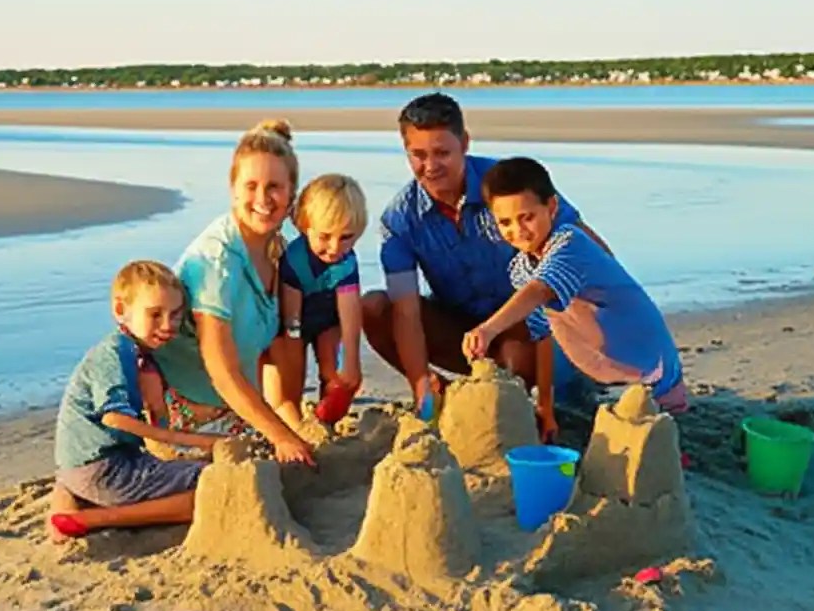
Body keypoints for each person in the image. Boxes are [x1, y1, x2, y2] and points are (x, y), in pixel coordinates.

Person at [362, 91, 612, 414]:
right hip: (463, 333)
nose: (430, 166)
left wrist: (613, 322)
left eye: (442, 153)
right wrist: (421, 383)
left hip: (529, 325)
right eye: (418, 155)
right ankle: (445, 393)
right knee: (374, 308)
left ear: (464, 143)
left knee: (517, 356)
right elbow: (407, 313)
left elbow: (587, 248)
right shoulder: (399, 219)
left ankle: (548, 388)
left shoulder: (512, 185)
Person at [462, 157, 689, 416]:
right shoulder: (521, 269)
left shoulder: (571, 244)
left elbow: (540, 289)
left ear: (552, 207)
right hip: (600, 379)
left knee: (639, 437)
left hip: (653, 379)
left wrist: (487, 329)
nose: (518, 231)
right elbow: (544, 337)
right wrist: (545, 403)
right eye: (505, 223)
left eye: (527, 217)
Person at [151, 119, 316, 465]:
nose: (263, 199)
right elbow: (222, 371)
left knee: (296, 324)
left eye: (274, 187)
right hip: (185, 415)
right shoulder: (217, 260)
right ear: (233, 189)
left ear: (291, 194)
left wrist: (289, 419)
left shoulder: (278, 250)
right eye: (251, 185)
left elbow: (281, 346)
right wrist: (283, 437)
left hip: (237, 409)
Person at [47, 260, 222, 542]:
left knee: (183, 467)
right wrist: (196, 441)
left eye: (176, 315)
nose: (168, 325)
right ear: (120, 310)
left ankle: (72, 497)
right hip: (103, 469)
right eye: (155, 314)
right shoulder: (114, 353)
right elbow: (114, 418)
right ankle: (95, 518)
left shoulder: (137, 351)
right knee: (215, 486)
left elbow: (159, 406)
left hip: (83, 465)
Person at [278, 173, 368, 423]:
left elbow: (349, 313)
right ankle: (292, 416)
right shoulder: (295, 258)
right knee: (292, 374)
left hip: (329, 319)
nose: (335, 248)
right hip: (295, 321)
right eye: (325, 236)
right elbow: (291, 315)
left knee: (338, 374)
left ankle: (326, 417)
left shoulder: (346, 261)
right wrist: (292, 345)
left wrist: (352, 359)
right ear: (305, 225)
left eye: (346, 237)